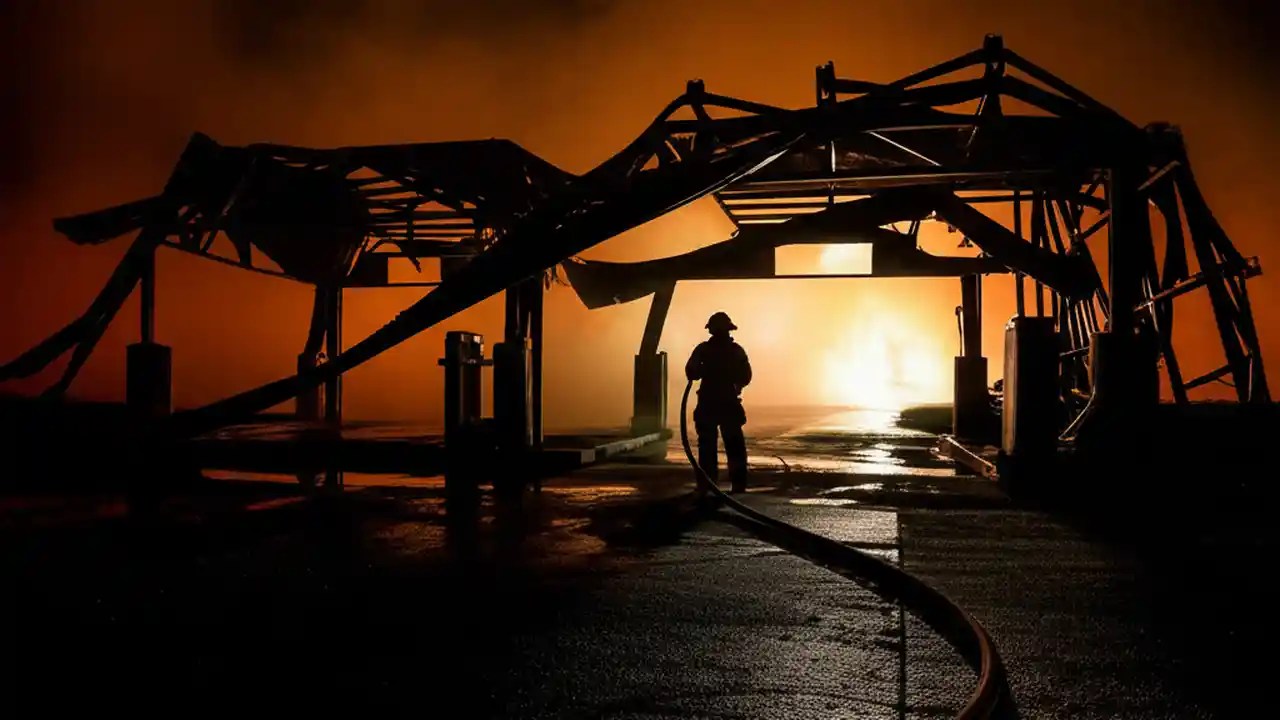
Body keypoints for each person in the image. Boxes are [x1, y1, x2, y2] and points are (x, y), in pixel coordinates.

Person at [685, 311, 752, 493]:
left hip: (708, 404)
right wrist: (734, 384)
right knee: (734, 446)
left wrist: (705, 370)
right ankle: (738, 485)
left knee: (708, 447)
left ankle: (707, 484)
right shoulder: (737, 351)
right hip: (728, 404)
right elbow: (746, 376)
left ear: (711, 330)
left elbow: (691, 372)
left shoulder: (703, 350)